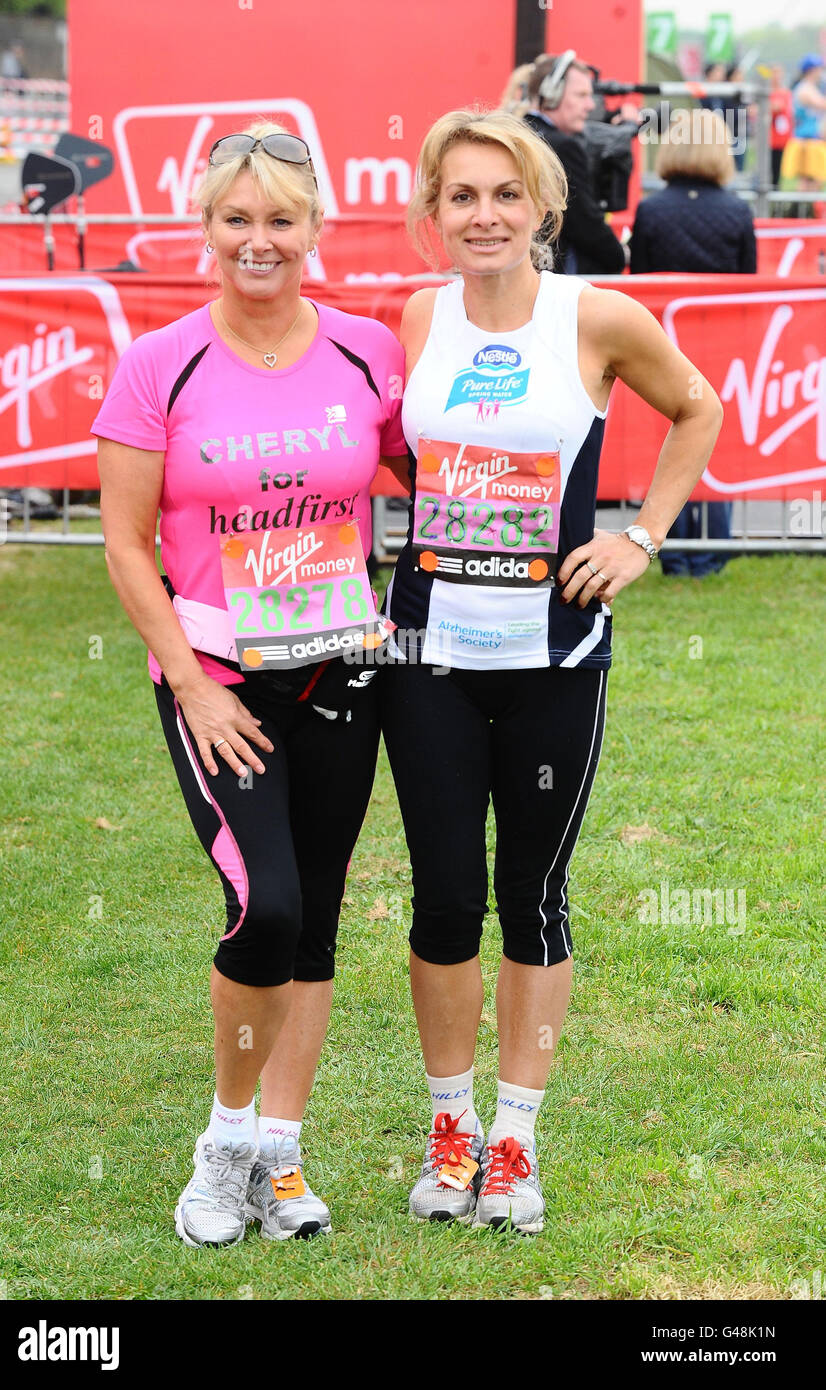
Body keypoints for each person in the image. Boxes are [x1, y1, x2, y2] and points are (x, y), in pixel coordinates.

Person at [380, 108, 722, 1233]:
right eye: (460, 195)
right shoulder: (416, 314)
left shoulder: (599, 314)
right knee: (441, 900)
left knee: (532, 895)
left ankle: (516, 1141)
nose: (482, 215)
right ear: (433, 212)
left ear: (542, 206)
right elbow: (393, 453)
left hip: (554, 657)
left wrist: (643, 535)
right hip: (426, 653)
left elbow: (697, 406)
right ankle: (449, 1125)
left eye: (503, 194)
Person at [93, 123, 406, 1247]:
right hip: (218, 678)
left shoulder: (372, 351)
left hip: (339, 672)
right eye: (238, 218)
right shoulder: (157, 361)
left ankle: (282, 1154)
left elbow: (437, 471)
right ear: (206, 228)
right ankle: (224, 1145)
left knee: (313, 920)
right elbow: (127, 544)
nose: (259, 239)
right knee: (261, 904)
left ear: (317, 228)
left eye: (282, 218)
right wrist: (192, 685)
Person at [630, 108, 754, 575]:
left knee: (669, 438)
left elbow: (638, 282)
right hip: (719, 343)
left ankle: (672, 547)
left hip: (662, 345)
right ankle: (713, 551)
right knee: (713, 439)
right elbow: (748, 284)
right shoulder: (738, 210)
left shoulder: (652, 209)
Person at [522, 53, 627, 275]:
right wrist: (619, 255)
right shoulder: (563, 146)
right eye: (581, 95)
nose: (590, 105)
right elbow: (585, 223)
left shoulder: (516, 133)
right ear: (551, 94)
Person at [781, 55, 826, 206]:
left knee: (814, 180)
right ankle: (801, 212)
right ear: (811, 70)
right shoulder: (804, 89)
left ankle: (806, 212)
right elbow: (821, 104)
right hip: (806, 140)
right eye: (819, 68)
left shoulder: (812, 87)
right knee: (808, 180)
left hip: (813, 140)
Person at [767, 64, 794, 189]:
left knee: (779, 169)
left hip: (782, 138)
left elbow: (782, 108)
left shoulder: (785, 93)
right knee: (768, 169)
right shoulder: (766, 92)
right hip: (769, 138)